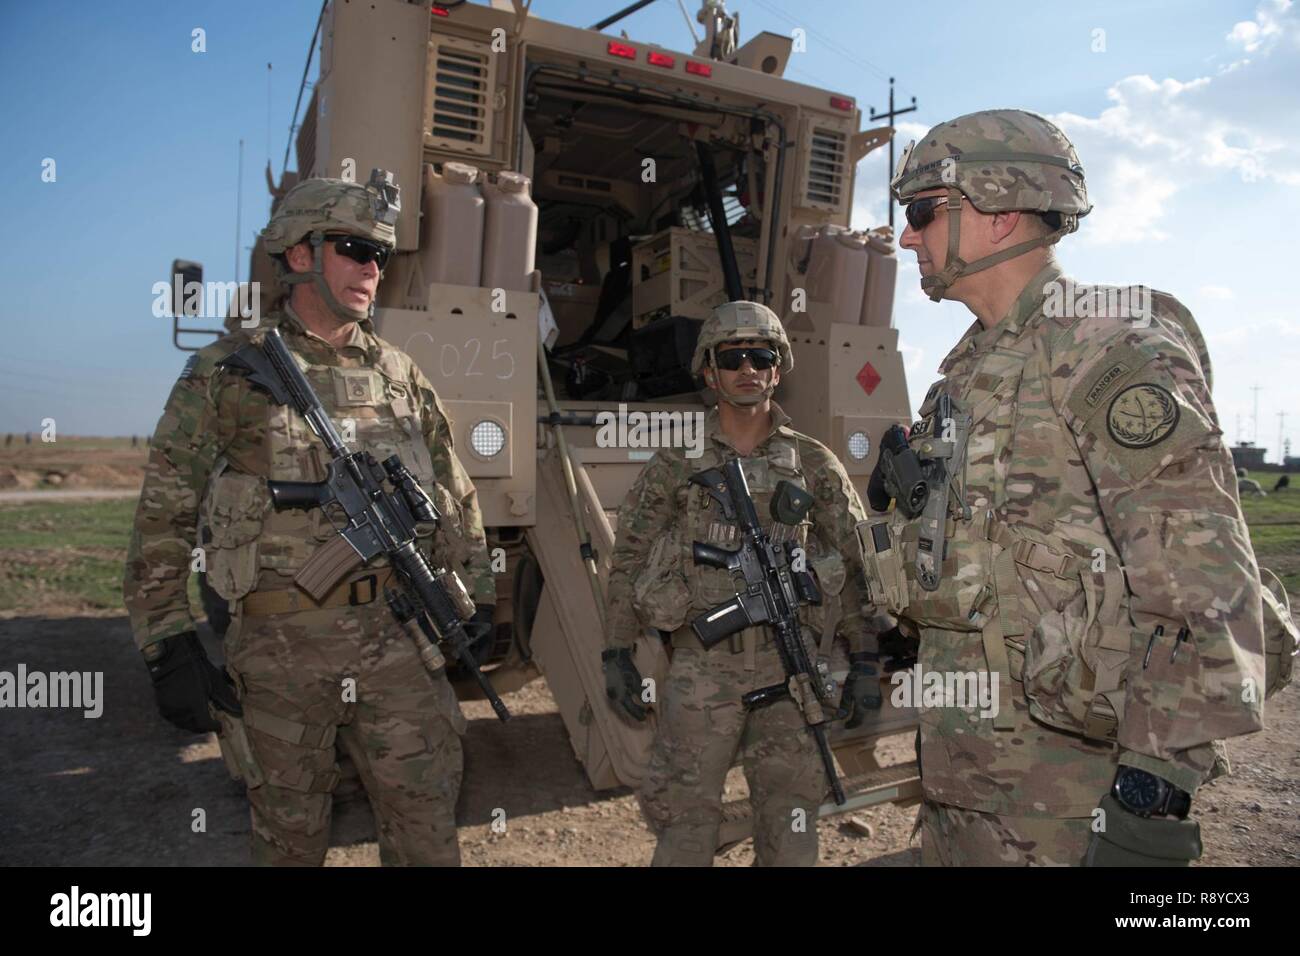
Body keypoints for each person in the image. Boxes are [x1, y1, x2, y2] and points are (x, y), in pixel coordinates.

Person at [874, 108, 1264, 865]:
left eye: (922, 212)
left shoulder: (1107, 343)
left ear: (1000, 211)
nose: (905, 237)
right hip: (965, 787)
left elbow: (1201, 581)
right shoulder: (964, 373)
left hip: (1065, 809)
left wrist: (1149, 804)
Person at [124, 169, 495, 866]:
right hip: (279, 653)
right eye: (354, 248)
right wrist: (167, 640)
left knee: (427, 835)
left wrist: (476, 587)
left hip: (397, 642)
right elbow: (163, 518)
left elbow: (453, 488)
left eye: (381, 255)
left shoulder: (400, 376)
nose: (371, 268)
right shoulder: (230, 372)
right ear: (299, 253)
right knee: (288, 843)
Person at [601, 300, 880, 866]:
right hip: (703, 667)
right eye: (733, 358)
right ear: (709, 371)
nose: (747, 369)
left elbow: (854, 562)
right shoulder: (677, 463)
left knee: (792, 823)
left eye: (761, 356)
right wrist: (615, 649)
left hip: (791, 666)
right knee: (685, 821)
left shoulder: (814, 463)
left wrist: (867, 657)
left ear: (778, 369)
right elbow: (628, 556)